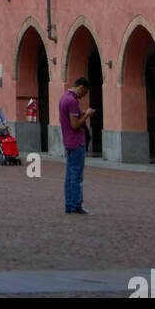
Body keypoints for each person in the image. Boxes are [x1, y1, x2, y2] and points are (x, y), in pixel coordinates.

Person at [60, 77, 95, 214]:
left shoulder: (64, 98)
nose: (84, 96)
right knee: (76, 176)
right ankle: (76, 205)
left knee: (69, 175)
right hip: (76, 142)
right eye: (85, 93)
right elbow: (75, 124)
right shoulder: (72, 101)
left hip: (68, 141)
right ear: (81, 87)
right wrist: (86, 115)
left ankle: (69, 204)